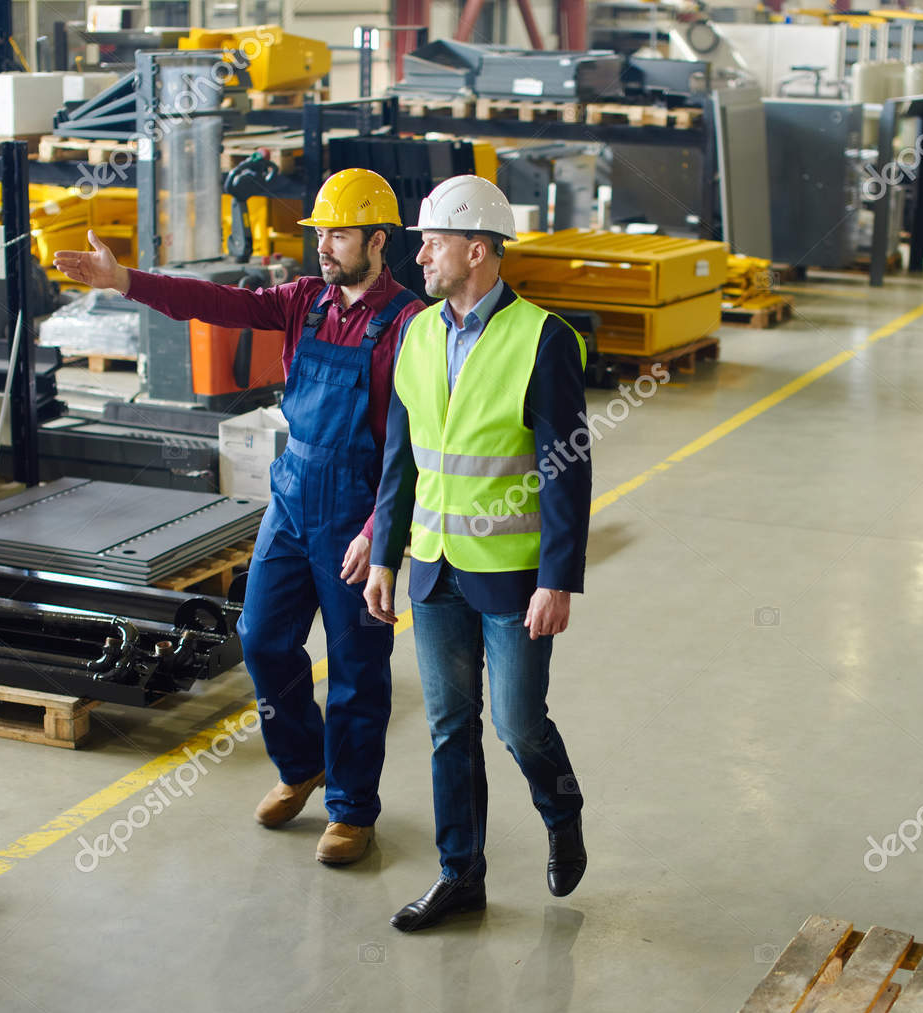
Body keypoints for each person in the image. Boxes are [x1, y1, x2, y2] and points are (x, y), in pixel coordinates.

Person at [54, 169, 422, 866]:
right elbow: (217, 303)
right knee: (260, 637)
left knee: (357, 664)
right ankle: (301, 763)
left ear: (378, 241)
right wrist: (126, 281)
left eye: (339, 234)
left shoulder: (408, 325)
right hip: (292, 493)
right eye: (320, 234)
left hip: (357, 505)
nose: (325, 247)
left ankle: (350, 808)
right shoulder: (303, 301)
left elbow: (411, 446)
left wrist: (380, 533)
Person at [364, 175, 592, 932]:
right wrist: (385, 556)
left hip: (513, 573)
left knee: (519, 722)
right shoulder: (417, 332)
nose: (419, 254)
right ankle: (460, 875)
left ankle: (561, 811)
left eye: (432, 241)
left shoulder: (543, 338)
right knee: (448, 728)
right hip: (433, 569)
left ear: (479, 250)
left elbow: (566, 465)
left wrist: (558, 579)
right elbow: (402, 456)